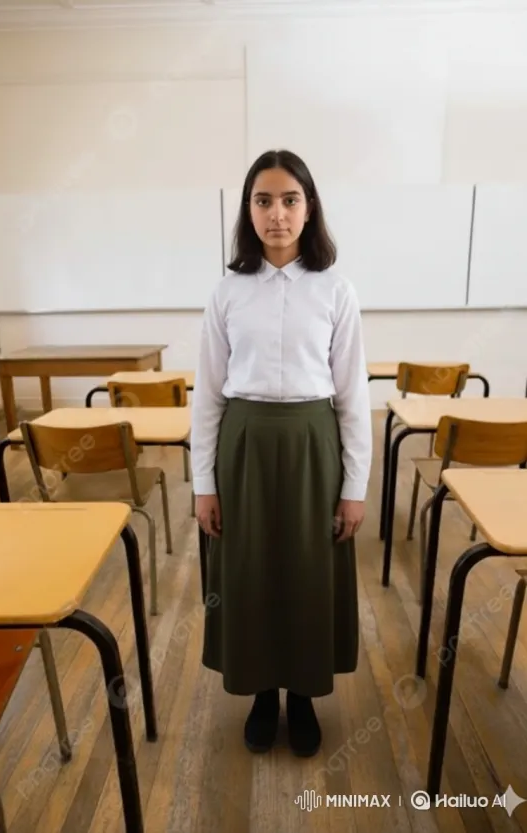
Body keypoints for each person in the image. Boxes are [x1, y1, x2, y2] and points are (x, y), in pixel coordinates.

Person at [190, 149, 372, 758]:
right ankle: (262, 693)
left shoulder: (335, 290)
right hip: (242, 446)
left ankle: (303, 695)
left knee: (307, 569)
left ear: (309, 208)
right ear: (248, 211)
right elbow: (208, 396)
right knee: (248, 572)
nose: (277, 214)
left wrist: (354, 488)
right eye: (263, 201)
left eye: (290, 200)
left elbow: (352, 397)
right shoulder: (227, 292)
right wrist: (203, 484)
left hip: (312, 446)